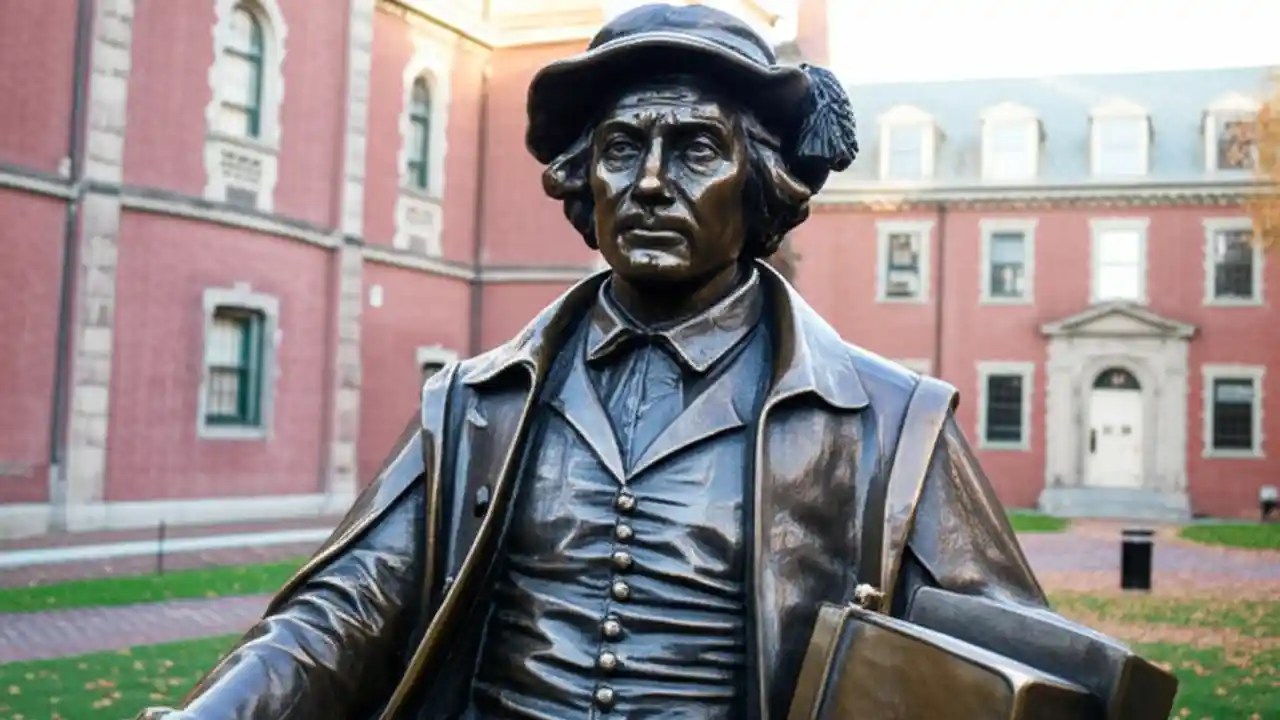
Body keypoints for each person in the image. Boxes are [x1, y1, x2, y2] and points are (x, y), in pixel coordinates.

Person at [141, 5, 1065, 719]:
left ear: (762, 181)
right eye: (623, 148)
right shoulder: (477, 402)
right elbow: (345, 608)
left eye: (697, 147)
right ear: (585, 178)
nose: (652, 181)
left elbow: (1015, 669)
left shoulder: (889, 424)